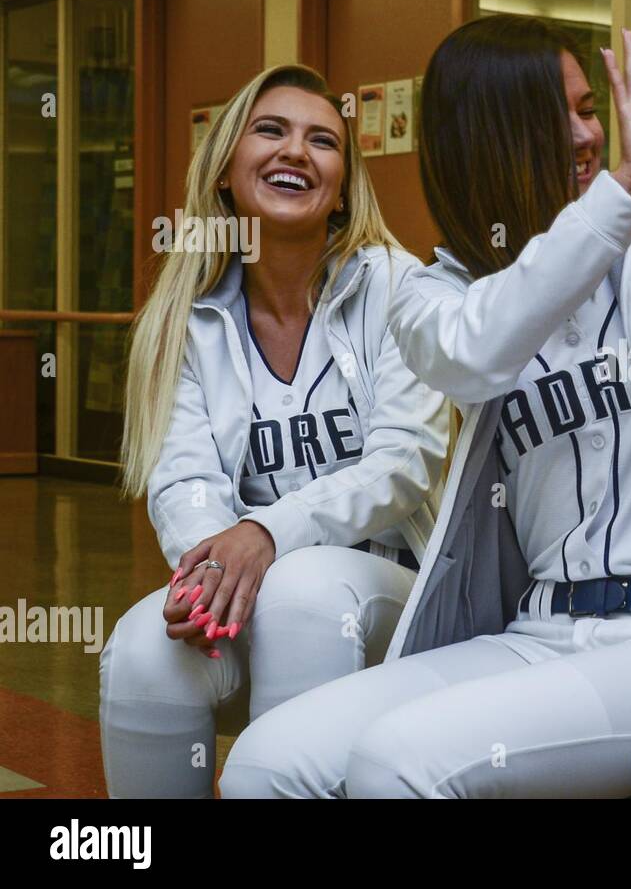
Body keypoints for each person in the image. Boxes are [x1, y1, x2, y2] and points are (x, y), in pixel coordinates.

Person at [218, 13, 631, 799]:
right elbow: (478, 350)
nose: (589, 133)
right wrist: (622, 196)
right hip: (537, 630)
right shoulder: (436, 292)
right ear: (496, 132)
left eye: (590, 109)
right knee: (265, 765)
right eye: (565, 112)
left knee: (396, 763)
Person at [100, 65, 450, 798]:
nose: (297, 151)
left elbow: (403, 463)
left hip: (399, 597)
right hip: (258, 592)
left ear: (344, 185)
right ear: (226, 170)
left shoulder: (397, 287)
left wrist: (265, 534)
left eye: (323, 141)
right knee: (141, 649)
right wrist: (209, 573)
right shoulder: (181, 322)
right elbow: (185, 479)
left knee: (305, 588)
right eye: (271, 131)